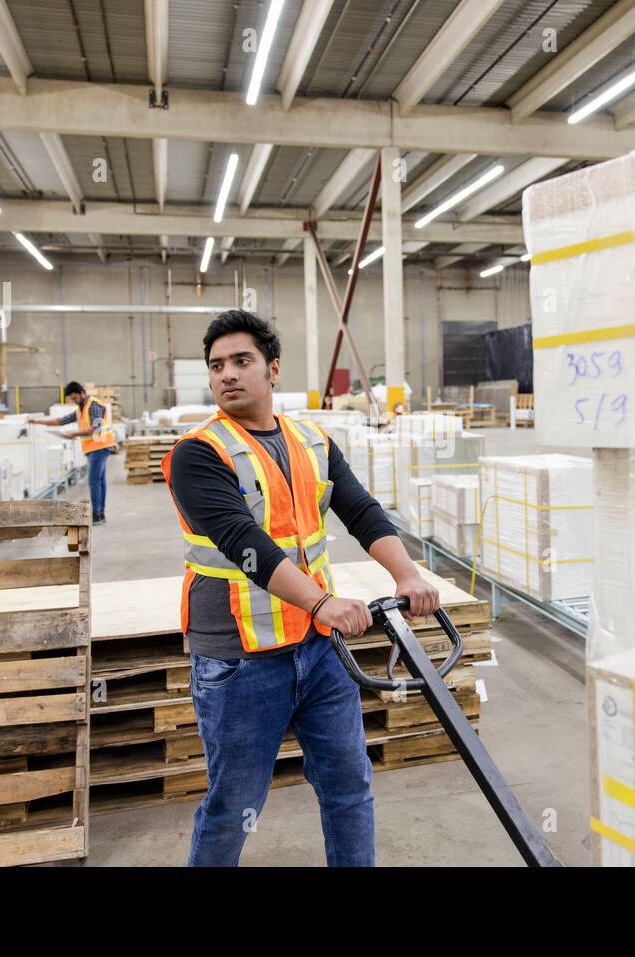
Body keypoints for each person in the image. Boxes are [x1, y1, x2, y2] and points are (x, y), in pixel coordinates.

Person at [160, 309, 440, 867]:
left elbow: (360, 511)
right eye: (217, 366)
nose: (227, 375)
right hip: (240, 659)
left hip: (319, 650)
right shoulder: (198, 452)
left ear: (273, 370)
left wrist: (407, 574)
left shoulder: (312, 440)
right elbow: (245, 543)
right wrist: (324, 602)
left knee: (348, 786)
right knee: (234, 804)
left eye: (242, 361)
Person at [29, 381, 115, 525]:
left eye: (76, 397)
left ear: (82, 393)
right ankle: (100, 514)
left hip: (99, 447)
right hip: (94, 448)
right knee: (99, 481)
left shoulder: (93, 405)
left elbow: (96, 427)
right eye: (72, 399)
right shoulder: (80, 409)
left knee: (94, 482)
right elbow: (62, 421)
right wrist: (37, 421)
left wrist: (74, 434)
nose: (74, 401)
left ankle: (97, 515)